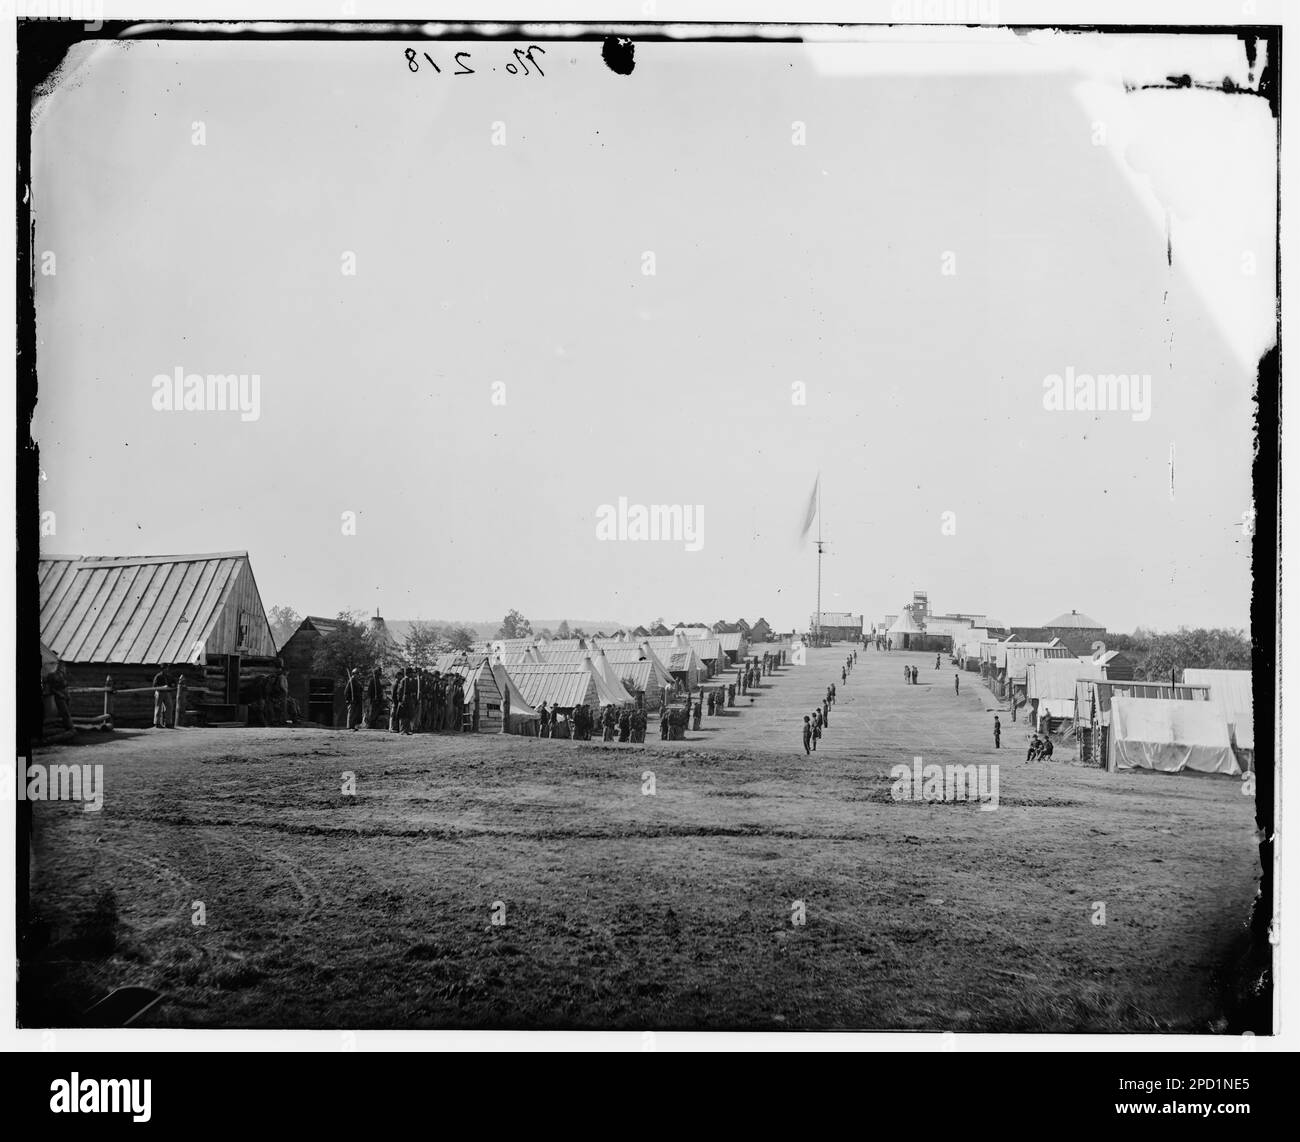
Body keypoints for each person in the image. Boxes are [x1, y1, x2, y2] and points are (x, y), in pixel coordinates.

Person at [46, 661, 75, 732]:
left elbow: (66, 685)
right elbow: (51, 688)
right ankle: (70, 728)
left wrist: (67, 695)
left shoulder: (63, 675)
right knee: (65, 712)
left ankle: (66, 726)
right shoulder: (52, 675)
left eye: (64, 666)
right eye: (62, 666)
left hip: (66, 695)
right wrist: (59, 694)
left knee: (67, 712)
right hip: (59, 696)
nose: (63, 668)